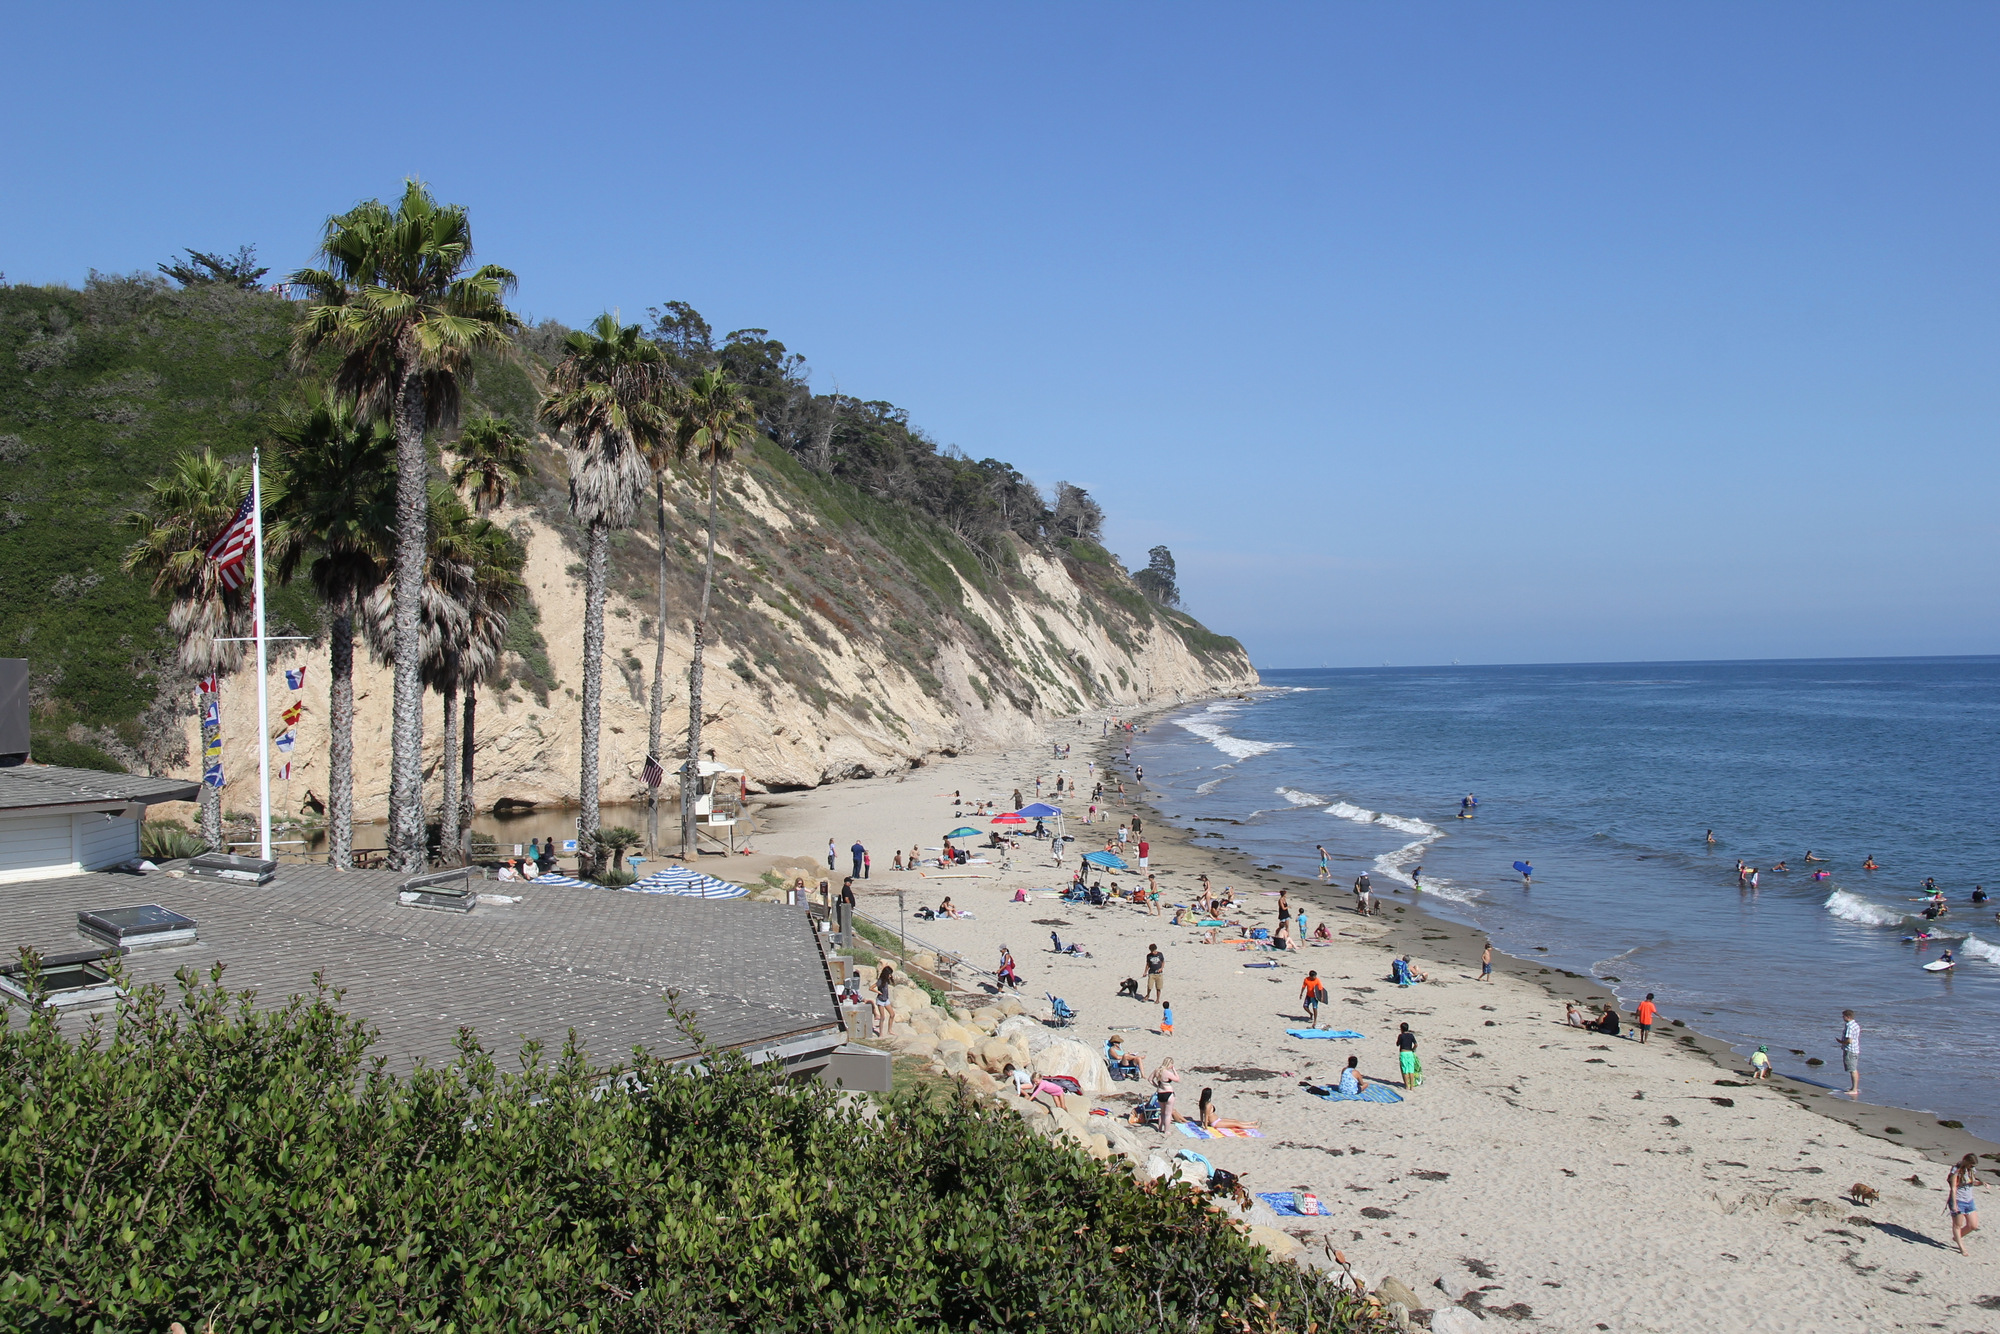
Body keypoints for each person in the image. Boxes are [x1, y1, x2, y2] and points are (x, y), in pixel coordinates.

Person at [1949, 1153, 1982, 1255]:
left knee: (1973, 1225)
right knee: (1957, 1225)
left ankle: (1957, 1237)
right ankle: (1961, 1247)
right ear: (1966, 1161)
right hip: (1959, 1200)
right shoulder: (1956, 1170)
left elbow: (1971, 1182)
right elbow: (1953, 1188)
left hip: (1969, 1200)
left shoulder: (1971, 1170)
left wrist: (1981, 1183)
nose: (1972, 1167)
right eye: (1971, 1165)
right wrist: (1954, 1204)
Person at [1152, 1057, 1182, 1124]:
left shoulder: (1157, 1070)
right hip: (1168, 1092)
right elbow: (1177, 1079)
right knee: (1168, 1114)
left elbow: (1150, 1079)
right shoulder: (1167, 1073)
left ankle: (1160, 1128)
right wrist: (1174, 1070)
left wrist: (1156, 1086)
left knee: (1162, 1113)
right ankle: (1166, 1129)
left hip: (1160, 1092)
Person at [1839, 1009, 1860, 1097]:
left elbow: (1849, 1040)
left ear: (1848, 1017)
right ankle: (1853, 1088)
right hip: (1855, 1049)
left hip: (1850, 1050)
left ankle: (1854, 1089)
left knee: (1852, 1069)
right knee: (1853, 1069)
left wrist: (1841, 1042)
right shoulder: (1855, 1025)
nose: (1842, 1018)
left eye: (1843, 1016)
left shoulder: (1850, 1026)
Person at [871, 965, 896, 1038]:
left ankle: (889, 1030)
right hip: (880, 1000)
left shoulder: (886, 980)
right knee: (882, 1017)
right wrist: (878, 992)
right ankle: (881, 1034)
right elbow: (871, 988)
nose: (890, 976)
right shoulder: (880, 981)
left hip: (886, 999)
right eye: (889, 974)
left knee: (892, 1014)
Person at [1396, 1022, 1421, 1089]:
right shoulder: (1411, 1035)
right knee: (1411, 1069)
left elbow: (1397, 1044)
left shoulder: (1401, 1036)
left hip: (1403, 1053)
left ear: (1401, 1029)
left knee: (1405, 1070)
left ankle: (1407, 1086)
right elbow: (1416, 1044)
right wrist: (1413, 1049)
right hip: (1410, 1053)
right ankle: (1411, 1087)